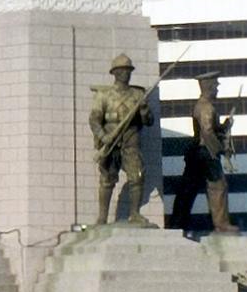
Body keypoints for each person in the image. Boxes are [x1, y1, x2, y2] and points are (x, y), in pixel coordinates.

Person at [90, 54, 155, 224]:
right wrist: (104, 137)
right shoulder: (104, 95)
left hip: (131, 141)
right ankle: (102, 217)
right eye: (122, 70)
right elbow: (94, 120)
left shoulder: (138, 94)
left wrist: (144, 109)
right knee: (107, 179)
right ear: (115, 73)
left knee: (137, 176)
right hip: (111, 142)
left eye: (128, 70)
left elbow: (148, 122)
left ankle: (135, 214)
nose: (126, 74)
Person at [169, 71, 235, 236]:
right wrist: (220, 149)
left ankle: (177, 225)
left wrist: (224, 126)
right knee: (218, 186)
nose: (217, 89)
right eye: (216, 86)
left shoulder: (204, 106)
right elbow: (207, 132)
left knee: (188, 189)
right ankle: (222, 225)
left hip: (198, 153)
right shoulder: (206, 107)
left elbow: (211, 129)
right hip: (206, 153)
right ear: (210, 87)